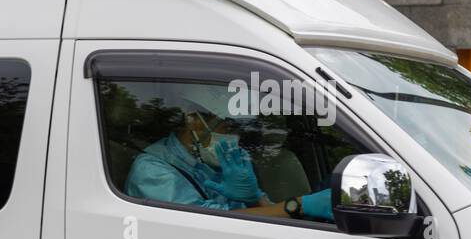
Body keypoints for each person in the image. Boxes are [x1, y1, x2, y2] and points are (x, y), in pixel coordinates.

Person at [125, 89, 333, 221]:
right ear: (193, 119)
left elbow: (265, 215)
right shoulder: (153, 170)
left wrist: (255, 198)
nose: (236, 135)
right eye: (228, 126)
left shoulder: (214, 158)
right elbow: (208, 225)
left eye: (240, 128)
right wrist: (297, 205)